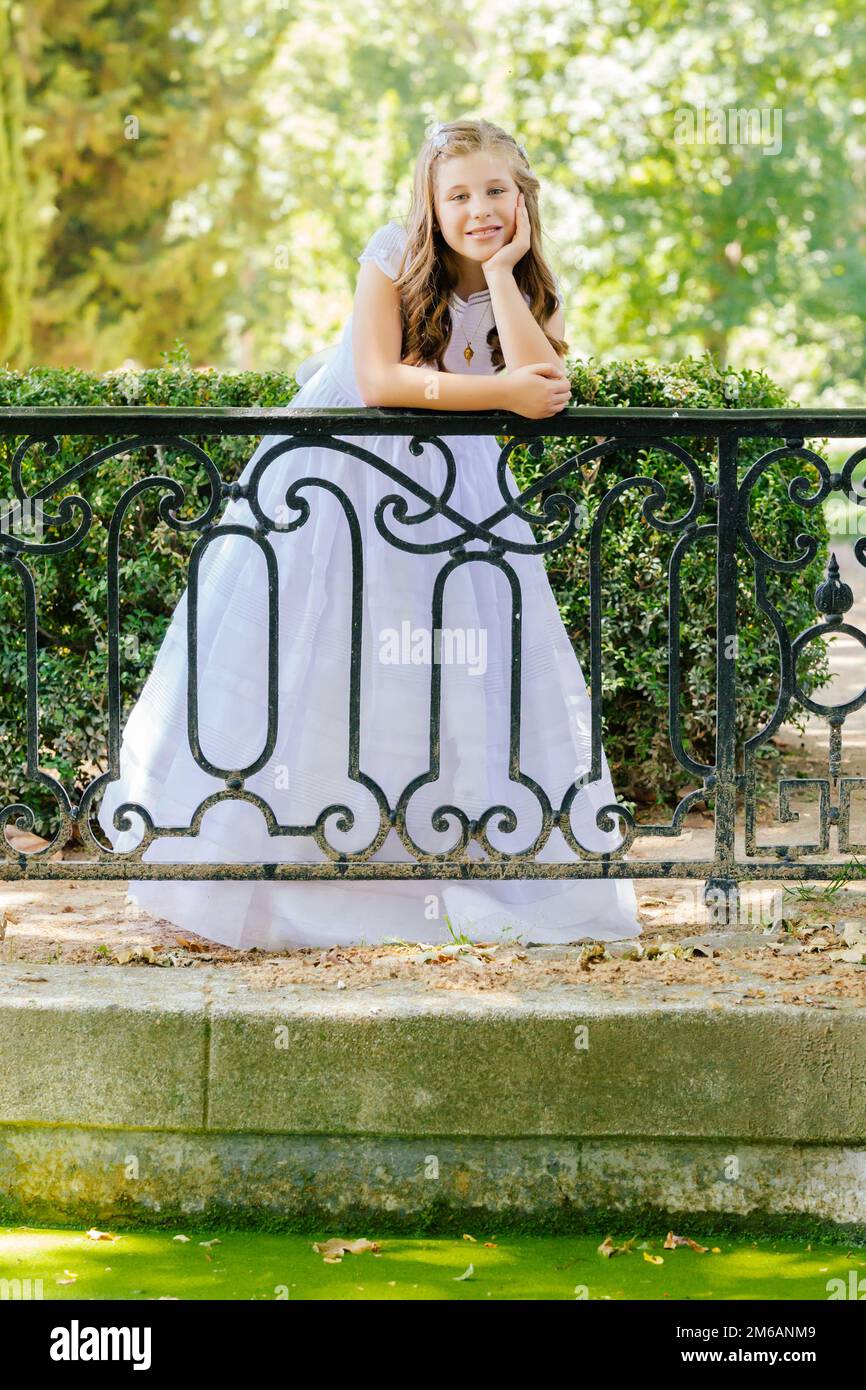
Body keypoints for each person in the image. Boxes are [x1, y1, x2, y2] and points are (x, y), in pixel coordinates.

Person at [97, 116, 641, 950]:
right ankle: (247, 886)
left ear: (522, 197)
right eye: (457, 195)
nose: (478, 208)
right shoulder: (392, 254)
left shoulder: (521, 280)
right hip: (343, 475)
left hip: (453, 488)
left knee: (447, 669)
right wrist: (498, 394)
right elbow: (383, 378)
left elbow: (546, 379)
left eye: (497, 191)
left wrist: (501, 272)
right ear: (429, 204)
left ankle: (429, 870)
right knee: (315, 656)